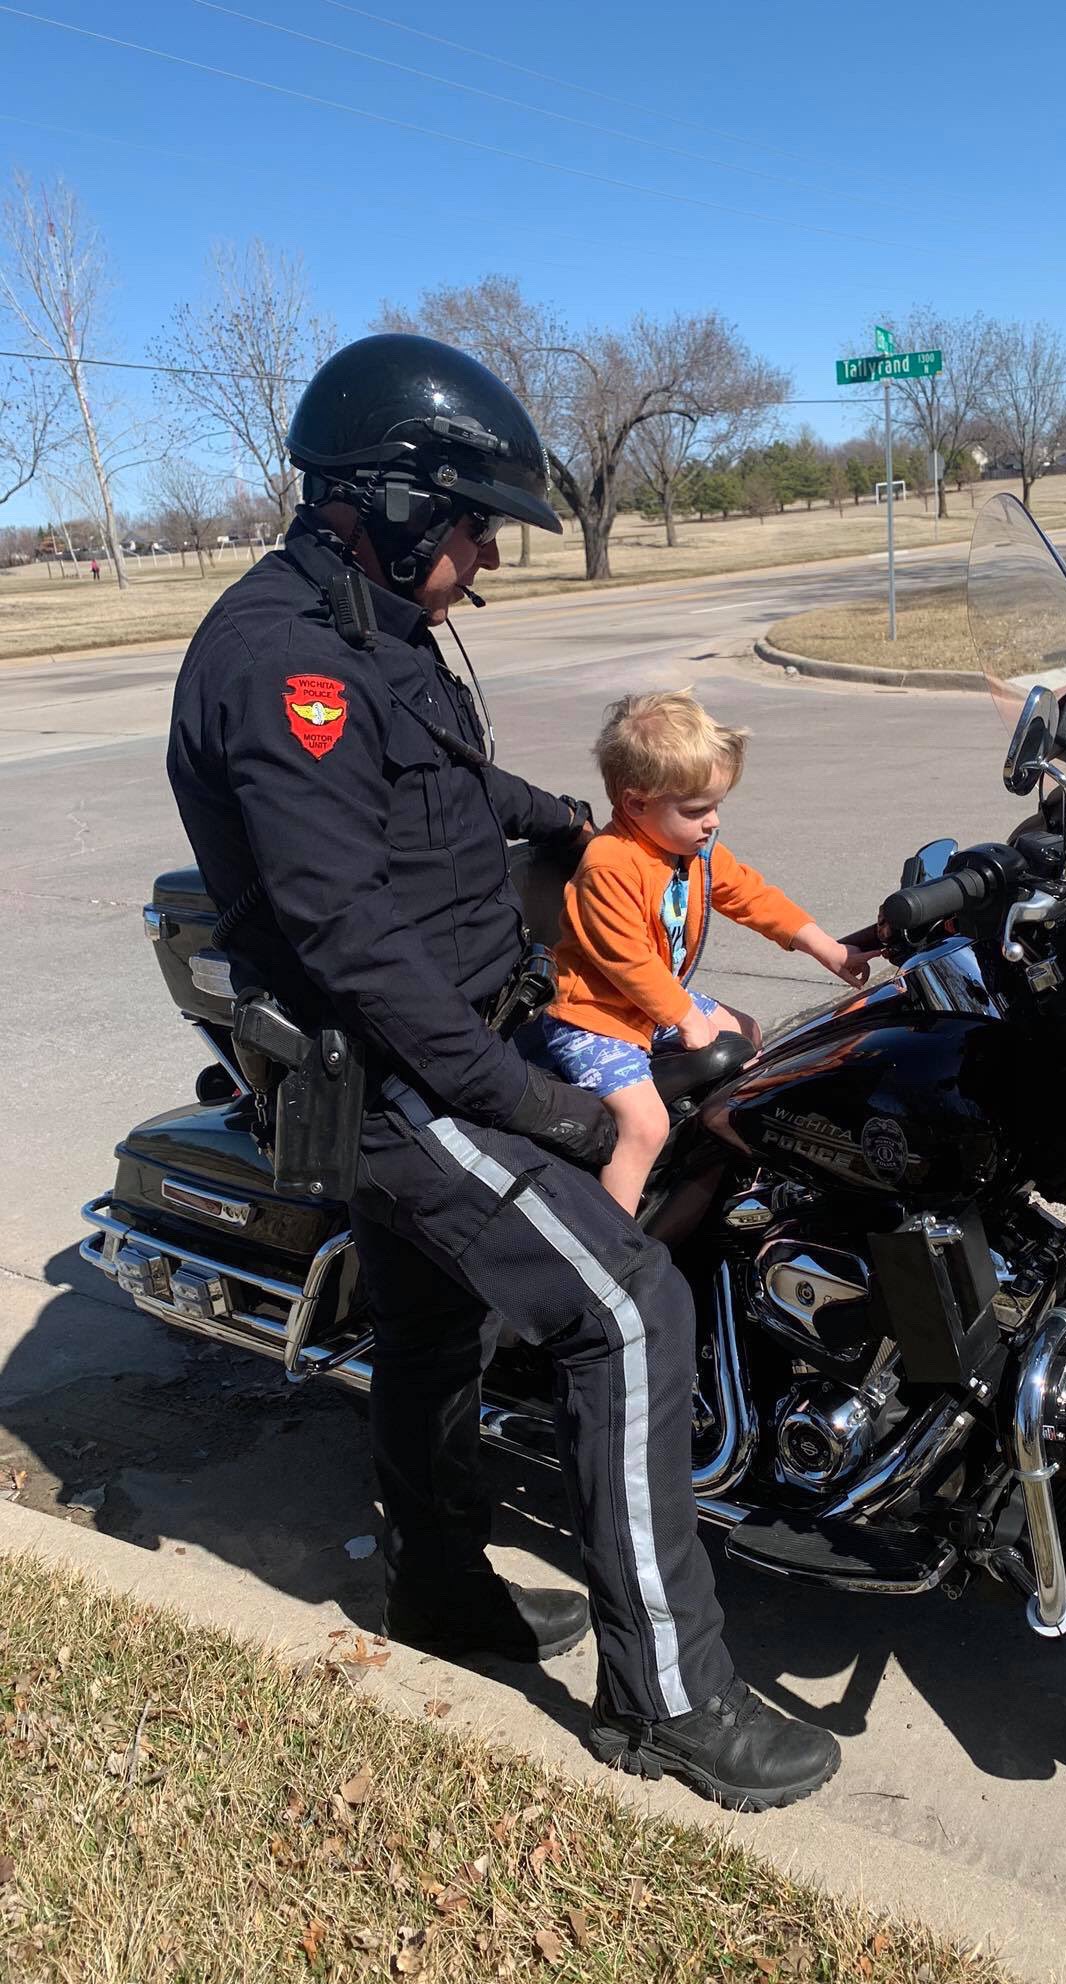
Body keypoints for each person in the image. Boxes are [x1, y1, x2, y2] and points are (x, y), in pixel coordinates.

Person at [165, 333, 842, 1811]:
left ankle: (440, 1593)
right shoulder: (283, 665)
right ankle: (674, 1699)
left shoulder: (373, 634)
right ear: (390, 502)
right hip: (402, 1080)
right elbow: (348, 938)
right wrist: (534, 1099)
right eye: (470, 524)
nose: (482, 555)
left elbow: (461, 800)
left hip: (440, 1052)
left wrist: (595, 830)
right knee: (629, 1307)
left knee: (430, 1338)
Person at [536, 691, 871, 1214]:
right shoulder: (609, 864)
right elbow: (626, 958)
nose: (713, 821)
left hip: (651, 1008)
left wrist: (820, 944)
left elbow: (749, 895)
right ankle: (611, 1247)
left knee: (750, 1035)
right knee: (645, 1125)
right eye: (696, 810)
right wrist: (683, 1015)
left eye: (716, 806)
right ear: (635, 804)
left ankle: (712, 1150)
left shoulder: (688, 848)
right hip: (595, 1020)